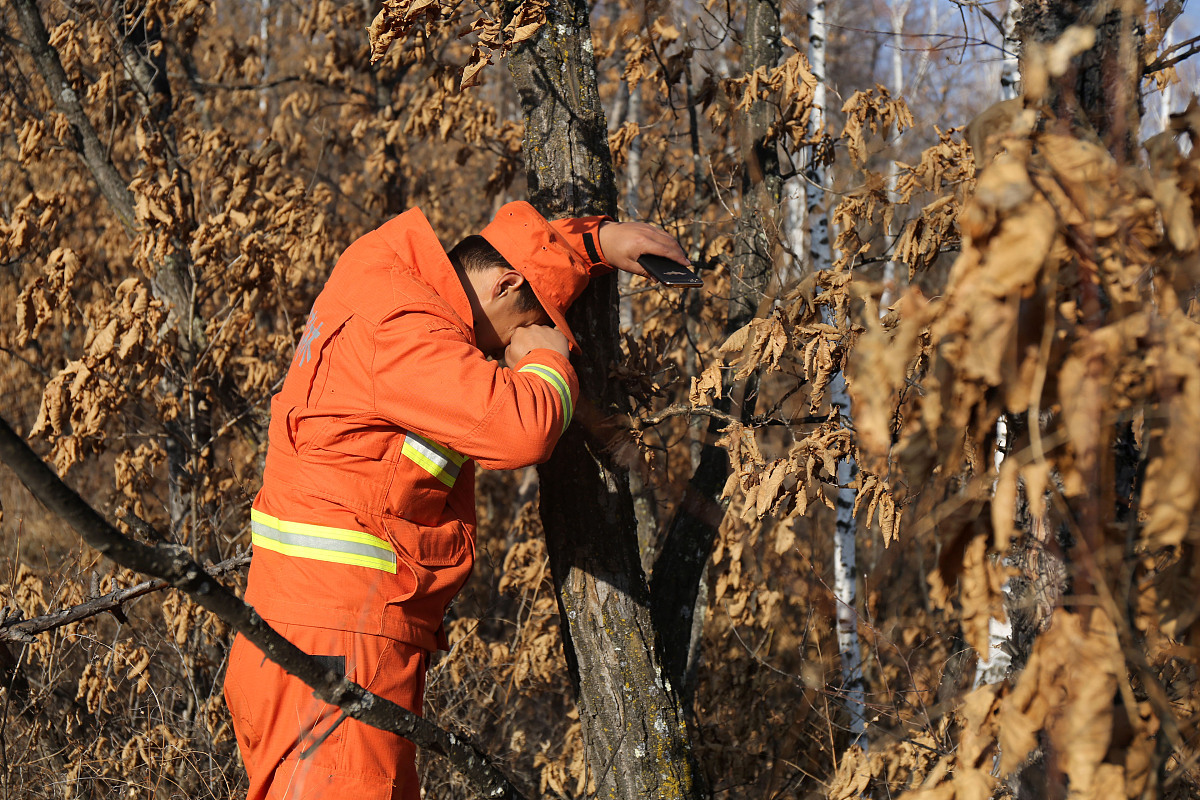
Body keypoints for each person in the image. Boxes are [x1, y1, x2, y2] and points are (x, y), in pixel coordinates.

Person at [222, 201, 688, 800]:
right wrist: (546, 359)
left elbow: (506, 259)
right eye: (518, 327)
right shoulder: (408, 332)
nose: (501, 354)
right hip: (343, 644)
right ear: (504, 285)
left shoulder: (380, 268)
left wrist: (594, 244)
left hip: (299, 630)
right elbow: (523, 428)